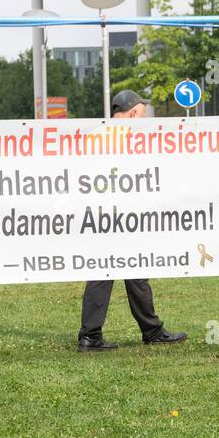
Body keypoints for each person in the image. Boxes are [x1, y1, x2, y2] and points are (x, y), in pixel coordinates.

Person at [77, 89, 187, 352]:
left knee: (126, 273)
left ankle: (146, 330)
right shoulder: (128, 138)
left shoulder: (97, 134)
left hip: (103, 214)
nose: (145, 116)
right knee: (111, 274)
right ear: (135, 111)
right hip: (119, 216)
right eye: (143, 111)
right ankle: (96, 335)